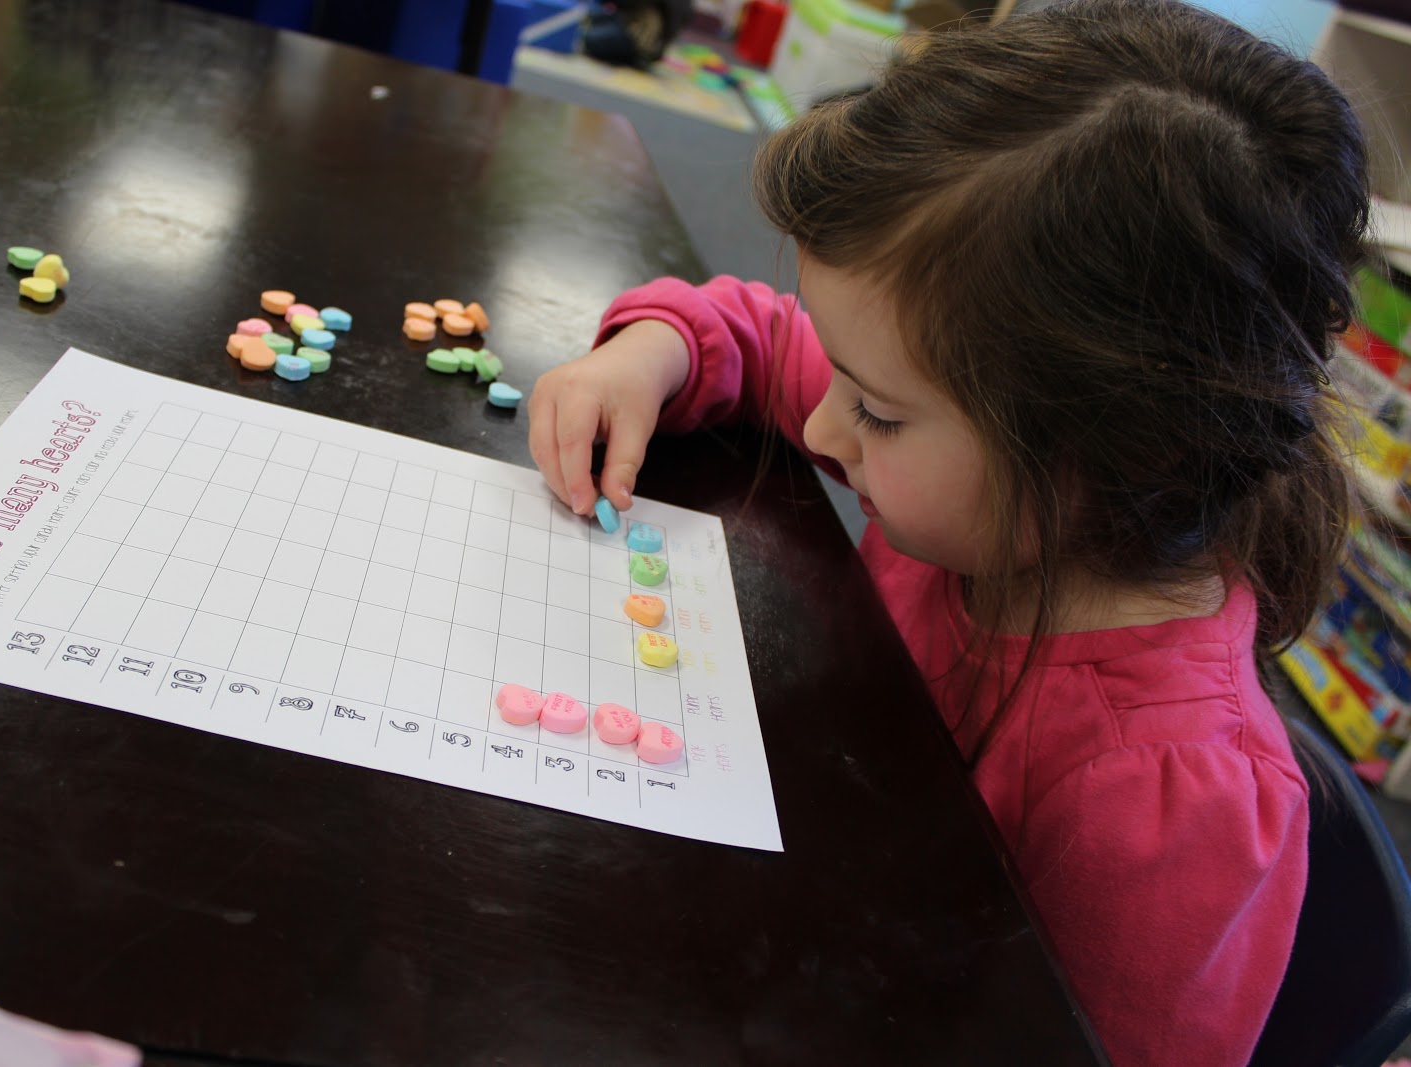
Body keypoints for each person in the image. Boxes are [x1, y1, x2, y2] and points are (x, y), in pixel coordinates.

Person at [526, 1, 1369, 1062]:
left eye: (877, 414)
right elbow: (768, 334)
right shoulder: (1007, 476)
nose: (825, 427)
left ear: (1115, 453)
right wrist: (651, 353)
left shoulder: (1164, 806)